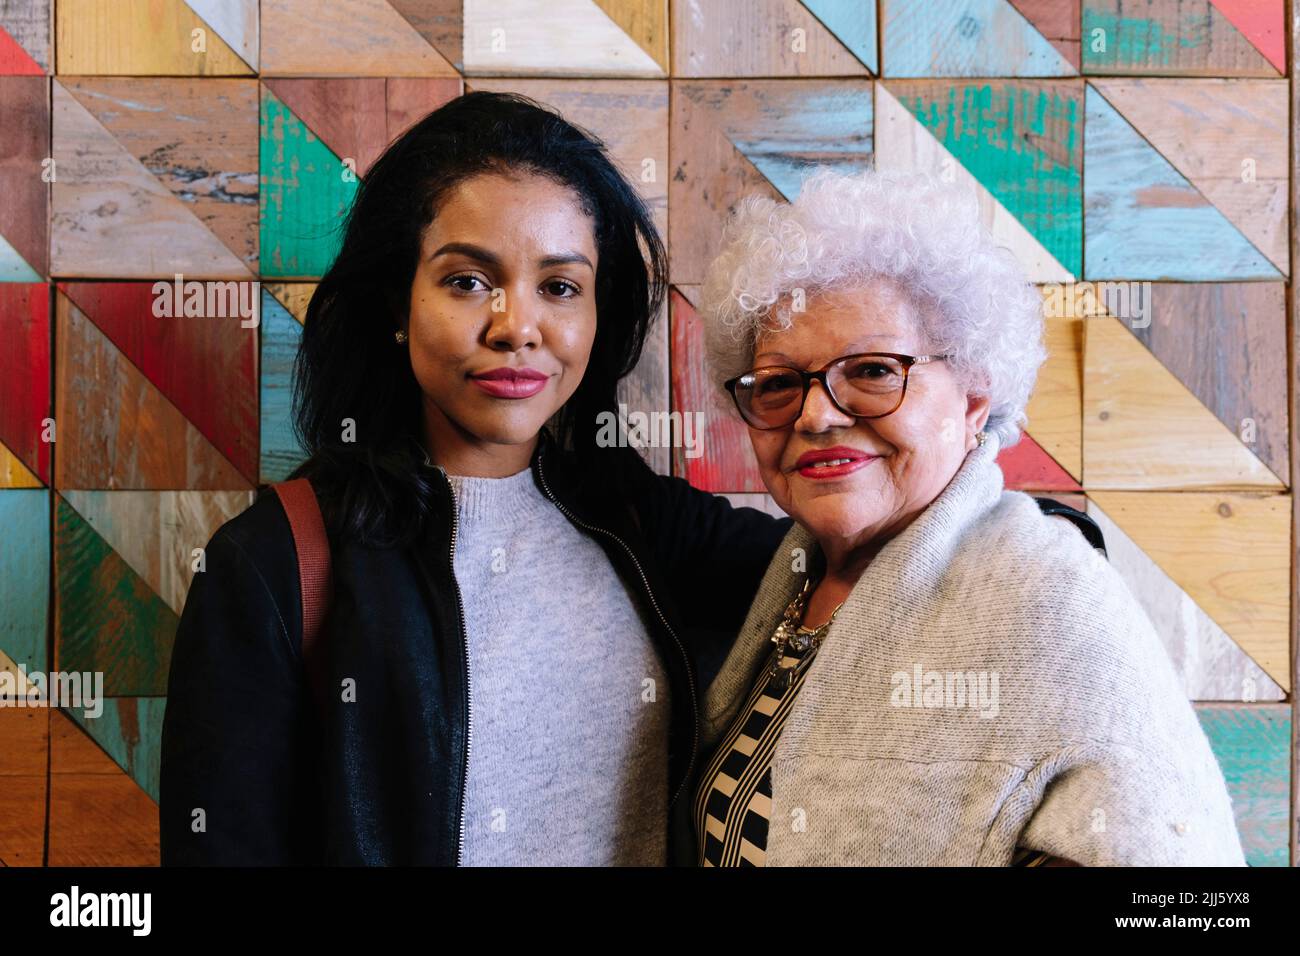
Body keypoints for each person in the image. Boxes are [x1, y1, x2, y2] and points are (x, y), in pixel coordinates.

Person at [159, 91, 789, 866]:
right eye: (466, 281)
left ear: (598, 315)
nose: (515, 325)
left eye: (559, 287)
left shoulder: (640, 523)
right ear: (399, 300)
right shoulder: (271, 565)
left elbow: (863, 561)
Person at [691, 167, 1247, 867]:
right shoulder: (783, 582)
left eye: (871, 370)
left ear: (975, 398)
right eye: (777, 384)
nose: (815, 414)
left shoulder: (1047, 596)